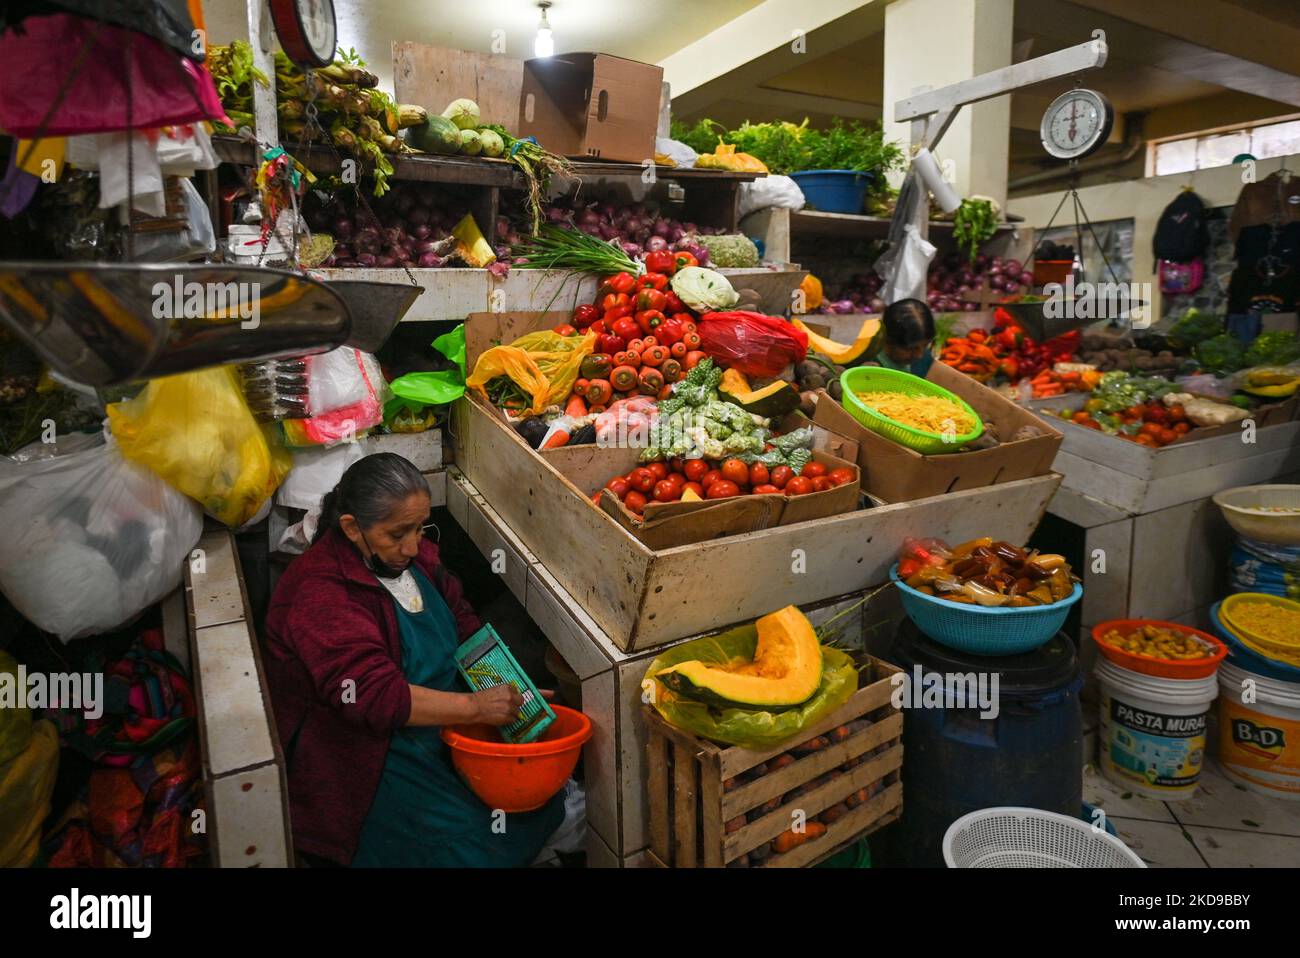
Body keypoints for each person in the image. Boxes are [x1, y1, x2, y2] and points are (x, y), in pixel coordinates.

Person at [263, 452, 568, 867]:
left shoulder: (416, 558)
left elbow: (462, 622)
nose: (413, 545)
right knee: (467, 850)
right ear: (352, 528)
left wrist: (514, 692)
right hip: (372, 755)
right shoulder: (323, 593)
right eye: (397, 534)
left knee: (538, 807)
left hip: (443, 726)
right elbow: (372, 697)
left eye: (420, 529)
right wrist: (477, 706)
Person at [874, 298, 937, 378]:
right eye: (911, 349)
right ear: (887, 340)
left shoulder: (925, 361)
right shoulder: (869, 364)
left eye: (925, 345)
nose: (919, 355)